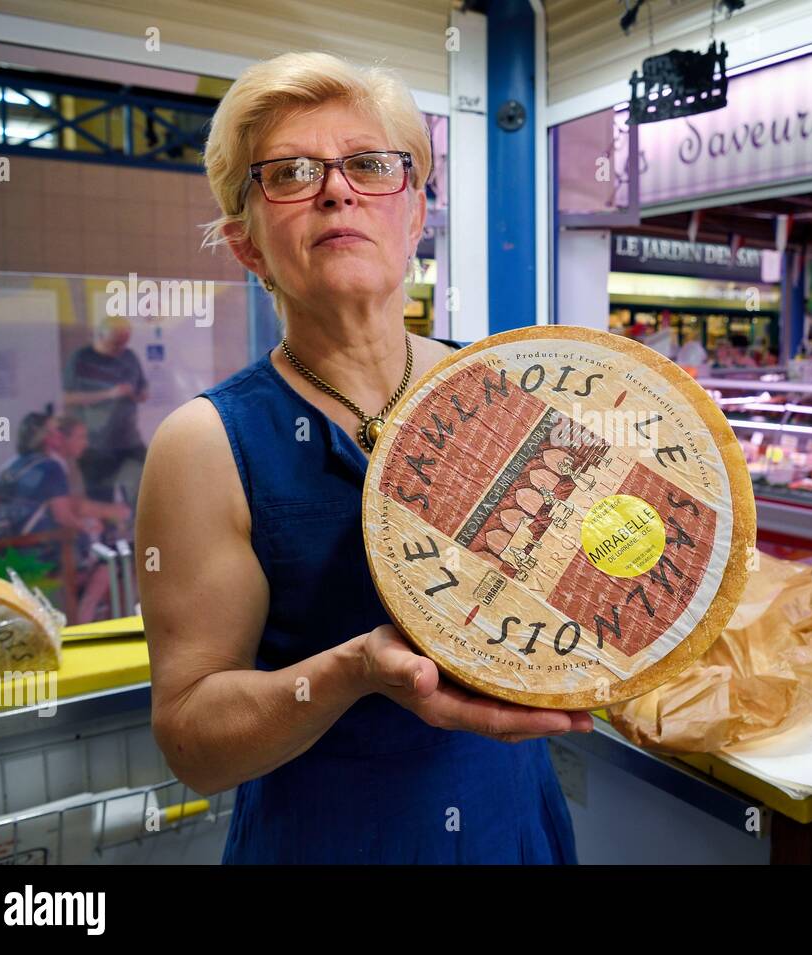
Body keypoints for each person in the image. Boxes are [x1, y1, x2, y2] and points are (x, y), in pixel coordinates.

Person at [135, 51, 590, 865]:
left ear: (415, 212)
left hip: (511, 824)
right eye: (291, 172)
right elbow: (193, 741)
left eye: (371, 166)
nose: (337, 189)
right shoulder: (206, 444)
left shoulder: (505, 389)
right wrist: (354, 670)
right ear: (246, 245)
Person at [0, 409, 130, 622]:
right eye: (56, 431)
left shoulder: (15, 463)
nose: (60, 434)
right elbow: (64, 516)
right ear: (49, 439)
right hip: (27, 552)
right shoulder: (50, 467)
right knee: (109, 559)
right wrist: (89, 526)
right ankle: (85, 615)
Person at [62, 316, 149, 507]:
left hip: (129, 441)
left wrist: (137, 395)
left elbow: (143, 390)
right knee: (101, 502)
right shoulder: (81, 359)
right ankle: (107, 536)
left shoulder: (130, 356)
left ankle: (139, 535)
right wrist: (109, 394)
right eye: (115, 344)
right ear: (98, 336)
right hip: (95, 445)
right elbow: (68, 398)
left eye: (124, 343)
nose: (119, 349)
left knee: (145, 496)